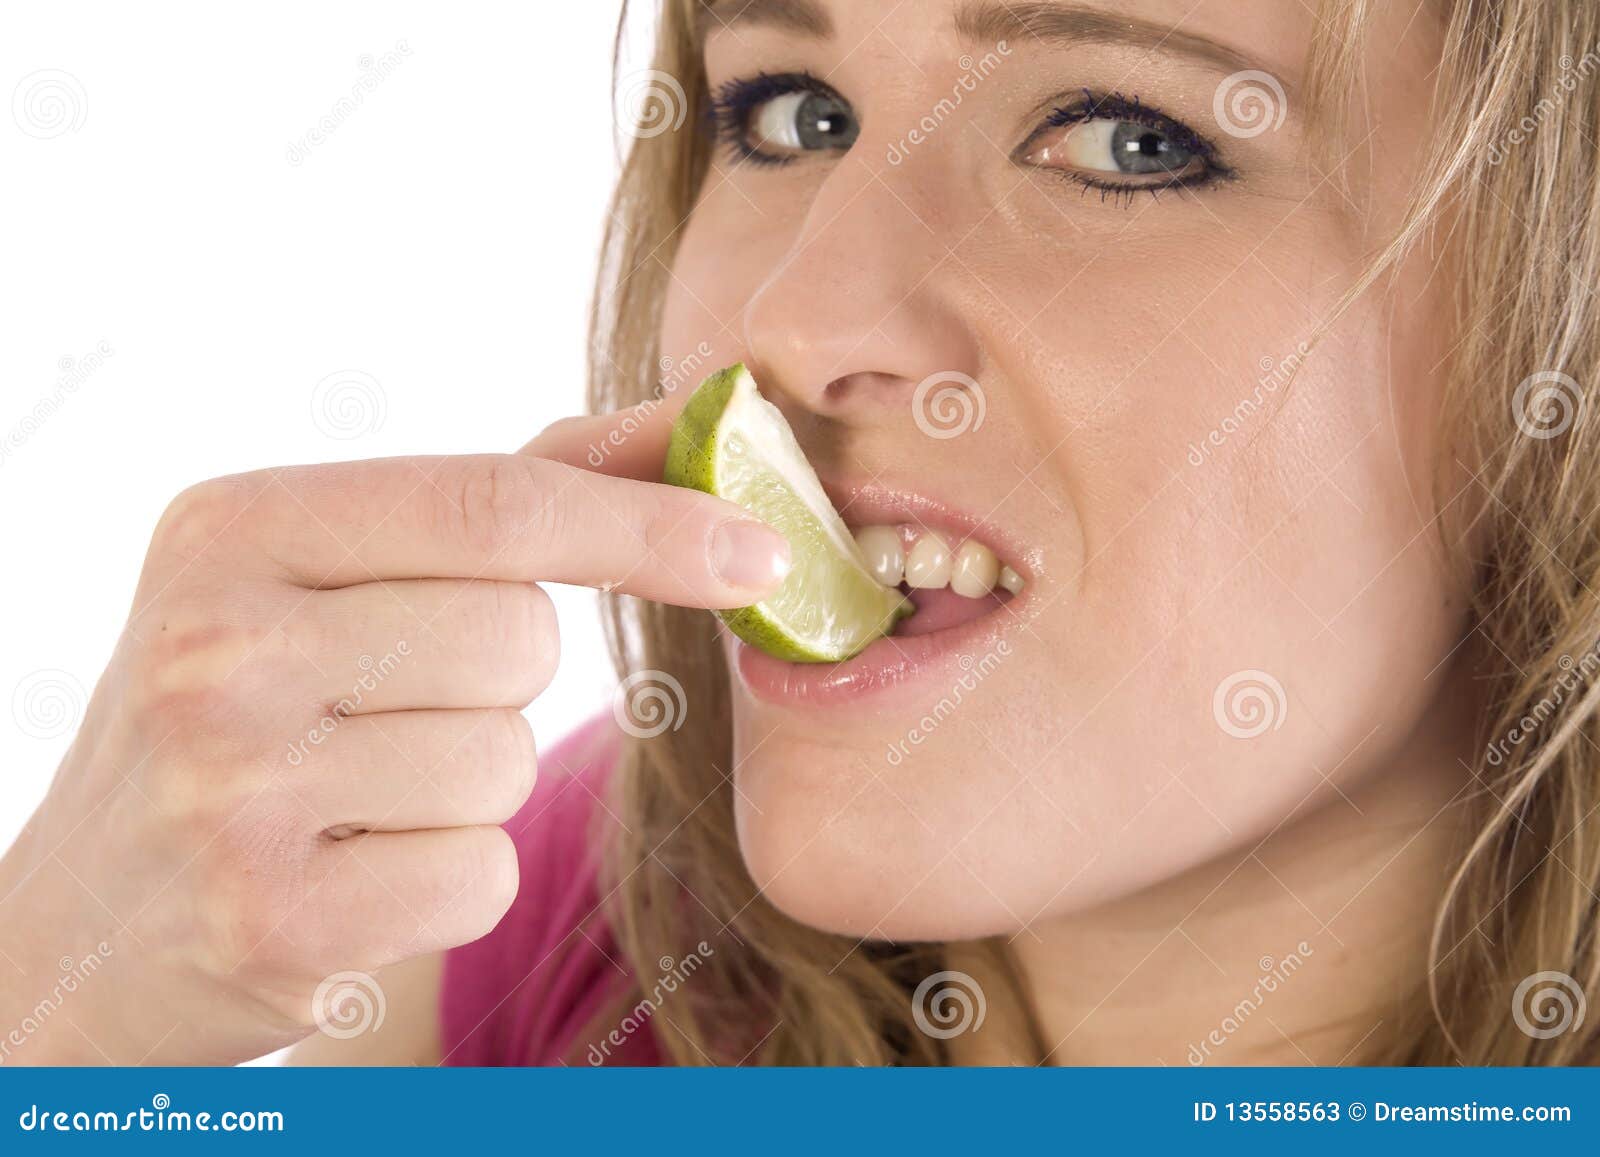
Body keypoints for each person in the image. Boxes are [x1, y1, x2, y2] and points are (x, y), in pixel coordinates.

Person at [5, 0, 1600, 1067]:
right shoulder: (576, 925)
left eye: (1130, 137)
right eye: (790, 113)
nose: (795, 312)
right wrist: (57, 995)